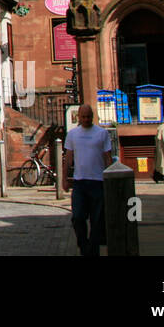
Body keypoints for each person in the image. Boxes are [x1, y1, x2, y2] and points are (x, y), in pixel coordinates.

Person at [64, 103, 112, 256]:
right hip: (80, 182)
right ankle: (84, 245)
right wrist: (64, 178)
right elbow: (68, 158)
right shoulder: (73, 134)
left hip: (98, 181)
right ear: (79, 117)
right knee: (78, 217)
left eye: (89, 117)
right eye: (83, 117)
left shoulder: (102, 134)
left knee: (97, 220)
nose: (86, 119)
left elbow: (107, 157)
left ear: (93, 117)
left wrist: (110, 178)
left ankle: (92, 251)